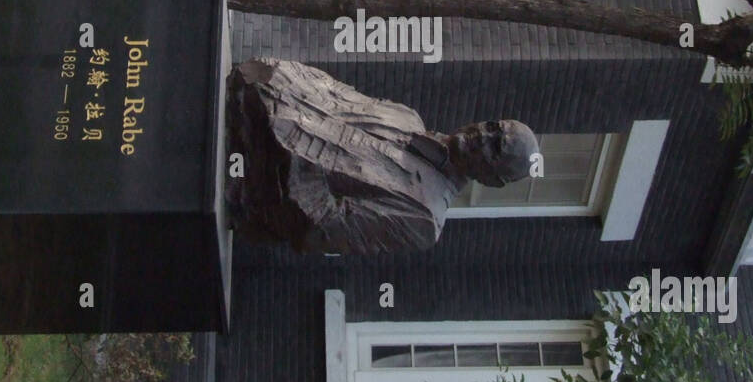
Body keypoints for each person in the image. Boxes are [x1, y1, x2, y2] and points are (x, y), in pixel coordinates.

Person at [226, 58, 538, 255]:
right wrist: (286, 79)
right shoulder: (406, 117)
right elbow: (333, 92)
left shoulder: (423, 219)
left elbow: (321, 227)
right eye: (494, 128)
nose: (483, 135)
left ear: (493, 180)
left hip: (246, 173)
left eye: (496, 148)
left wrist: (291, 144)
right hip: (247, 102)